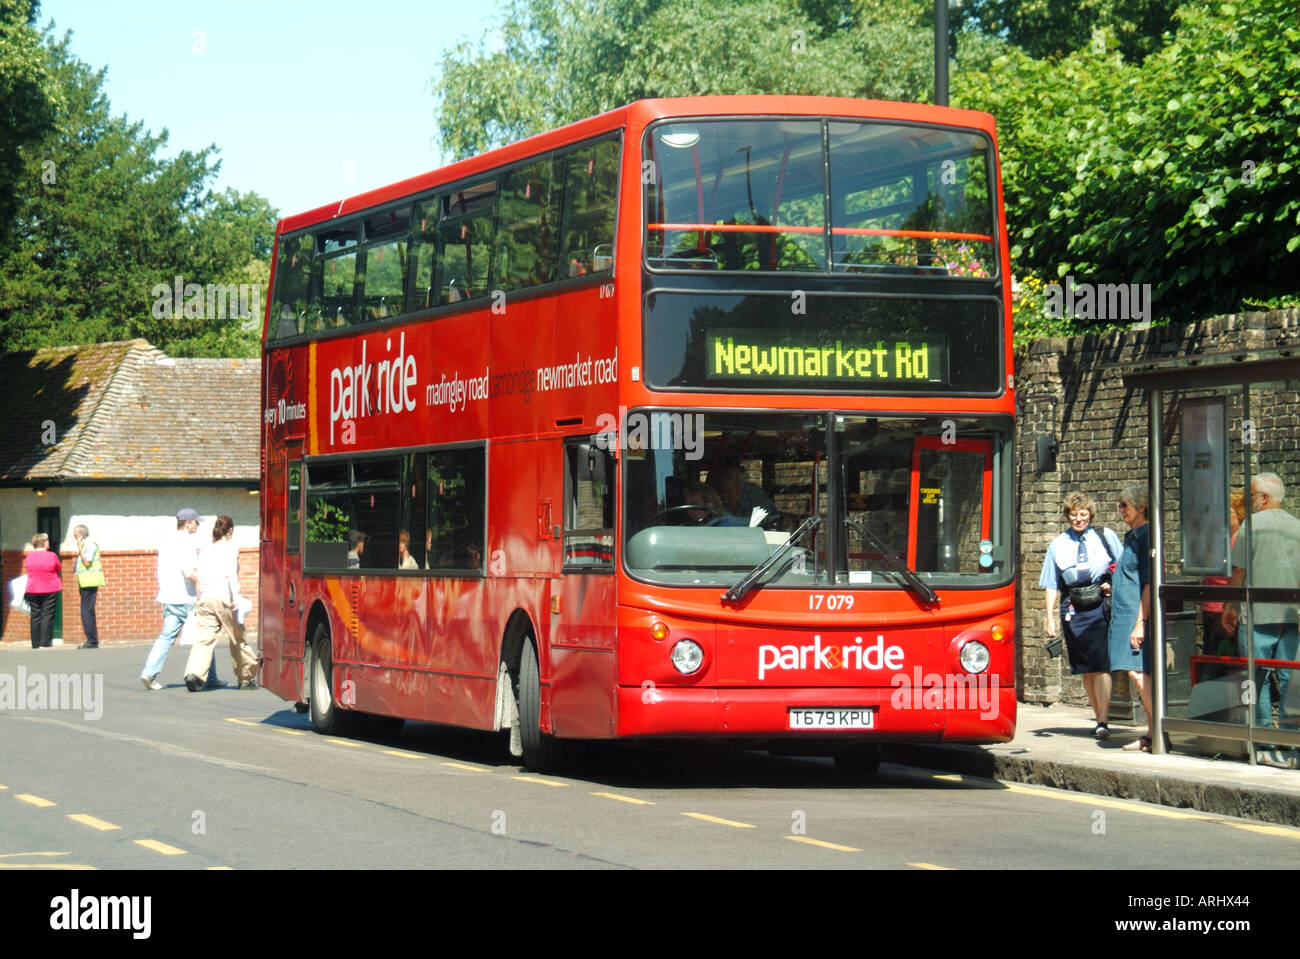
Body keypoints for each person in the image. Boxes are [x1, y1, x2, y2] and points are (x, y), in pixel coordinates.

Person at [1221, 473, 1300, 762]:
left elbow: (1239, 571)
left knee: (1256, 678)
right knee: (1292, 679)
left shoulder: (1251, 526)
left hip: (1256, 615)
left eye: (1252, 495)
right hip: (1291, 616)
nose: (1249, 501)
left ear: (1264, 498)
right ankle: (1291, 742)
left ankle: (1264, 741)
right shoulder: (1297, 525)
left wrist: (1228, 607)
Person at [1040, 492, 1122, 739]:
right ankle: (1098, 717)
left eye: (1083, 514)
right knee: (1086, 668)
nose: (1079, 519)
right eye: (1074, 514)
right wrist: (1050, 617)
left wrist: (1112, 584)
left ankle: (1103, 721)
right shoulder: (1058, 544)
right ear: (1067, 516)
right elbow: (1051, 584)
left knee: (1102, 664)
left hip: (1100, 605)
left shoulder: (1106, 536)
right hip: (1073, 608)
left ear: (1090, 514)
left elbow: (1124, 567)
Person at [141, 508, 221, 690]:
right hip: (187, 597)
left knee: (166, 637)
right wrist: (200, 584)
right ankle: (208, 677)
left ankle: (149, 673)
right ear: (188, 523)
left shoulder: (167, 540)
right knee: (205, 636)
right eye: (196, 522)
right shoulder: (186, 542)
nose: (197, 526)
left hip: (169, 597)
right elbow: (188, 572)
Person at [183, 516, 259, 691]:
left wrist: (199, 598)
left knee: (204, 639)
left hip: (206, 598)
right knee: (237, 637)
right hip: (224, 596)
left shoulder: (206, 549)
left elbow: (199, 576)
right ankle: (245, 678)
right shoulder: (230, 547)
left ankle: (193, 674)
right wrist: (235, 598)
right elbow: (232, 574)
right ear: (230, 530)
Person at [1108, 485, 1155, 751]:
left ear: (1141, 508)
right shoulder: (1132, 536)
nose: (1121, 510)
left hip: (1134, 617)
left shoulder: (1146, 537)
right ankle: (1152, 731)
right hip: (1124, 614)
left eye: (1125, 505)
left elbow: (1148, 583)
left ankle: (1155, 732)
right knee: (1136, 673)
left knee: (1138, 674)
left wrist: (1140, 622)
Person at [23, 533, 62, 649]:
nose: (49, 542)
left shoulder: (29, 556)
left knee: (35, 616)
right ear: (44, 542)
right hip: (50, 588)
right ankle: (45, 642)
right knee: (47, 615)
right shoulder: (52, 556)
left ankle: (35, 643)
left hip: (33, 589)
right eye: (47, 541)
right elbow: (58, 568)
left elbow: (29, 569)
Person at [713, 464, 778, 526]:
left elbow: (769, 520)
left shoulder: (753, 493)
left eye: (735, 482)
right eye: (725, 486)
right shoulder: (716, 500)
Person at [73, 524, 104, 649]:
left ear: (81, 534)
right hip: (85, 581)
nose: (74, 537)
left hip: (90, 581)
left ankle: (91, 640)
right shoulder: (86, 545)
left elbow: (87, 562)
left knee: (86, 611)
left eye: (75, 535)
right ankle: (92, 639)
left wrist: (79, 548)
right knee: (88, 611)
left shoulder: (89, 545)